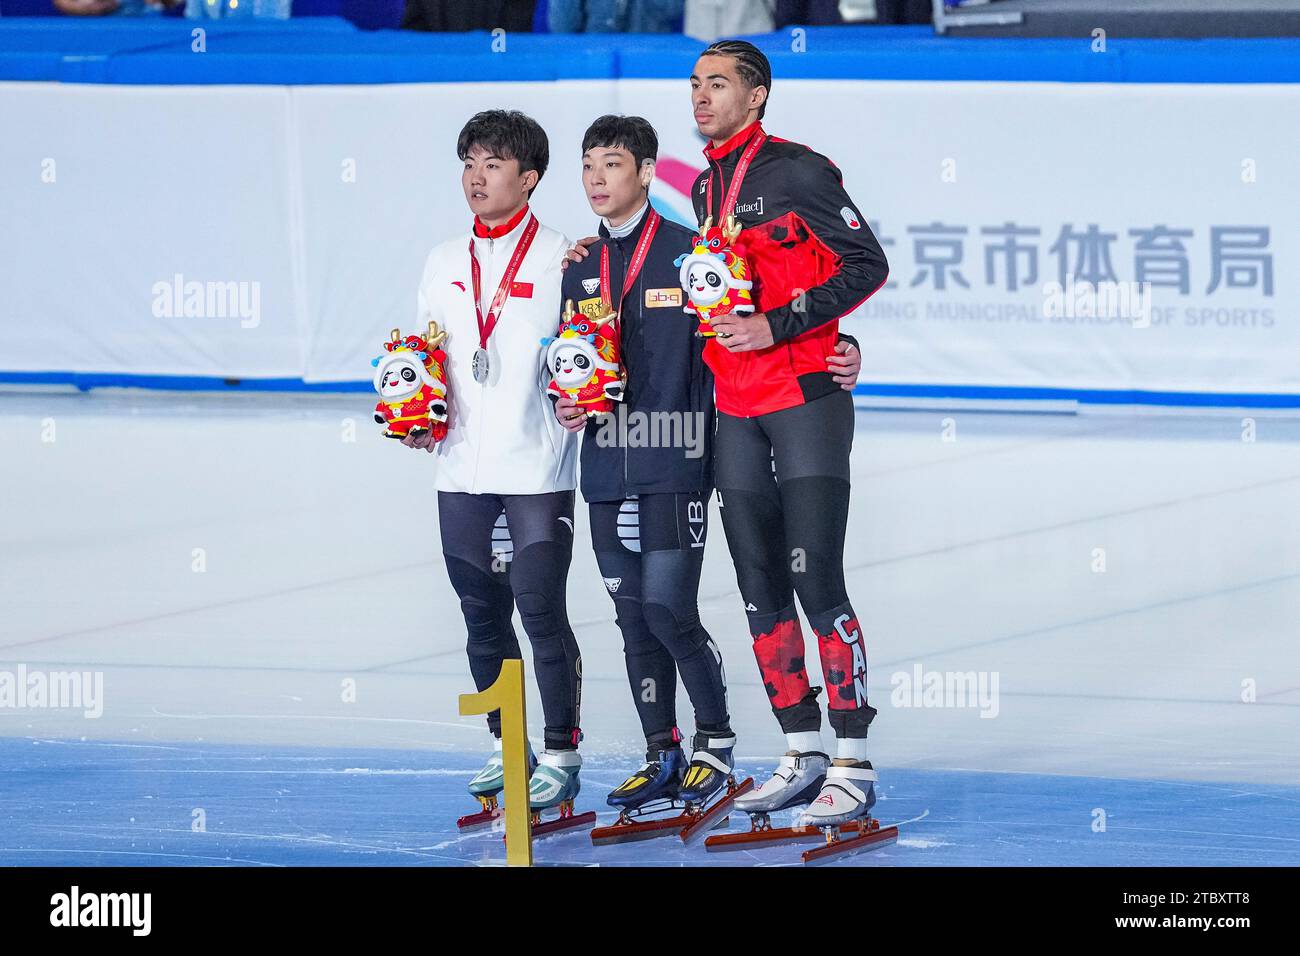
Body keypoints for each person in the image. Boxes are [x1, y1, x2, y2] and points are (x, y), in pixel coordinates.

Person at [556, 114, 864, 816]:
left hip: (683, 455)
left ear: (644, 171)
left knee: (668, 608)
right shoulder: (576, 265)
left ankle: (716, 743)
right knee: (631, 616)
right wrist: (570, 403)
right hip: (605, 459)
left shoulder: (693, 251)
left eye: (611, 164)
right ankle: (659, 753)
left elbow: (752, 332)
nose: (597, 179)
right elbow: (568, 358)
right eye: (588, 166)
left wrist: (840, 351)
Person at [687, 39, 890, 827]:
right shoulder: (708, 185)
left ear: (758, 95)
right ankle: (801, 749)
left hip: (805, 396)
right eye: (695, 84)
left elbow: (864, 264)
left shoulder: (800, 169)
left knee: (815, 582)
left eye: (719, 84)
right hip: (734, 406)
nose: (701, 96)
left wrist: (781, 325)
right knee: (759, 587)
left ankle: (854, 760)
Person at [404, 110, 584, 817]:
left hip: (536, 468)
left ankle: (562, 754)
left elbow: (586, 358)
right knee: (480, 614)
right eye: (469, 163)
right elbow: (423, 355)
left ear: (529, 179)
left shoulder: (565, 257)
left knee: (540, 611)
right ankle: (507, 743)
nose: (476, 177)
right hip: (459, 471)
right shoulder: (443, 260)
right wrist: (416, 414)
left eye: (493, 165)